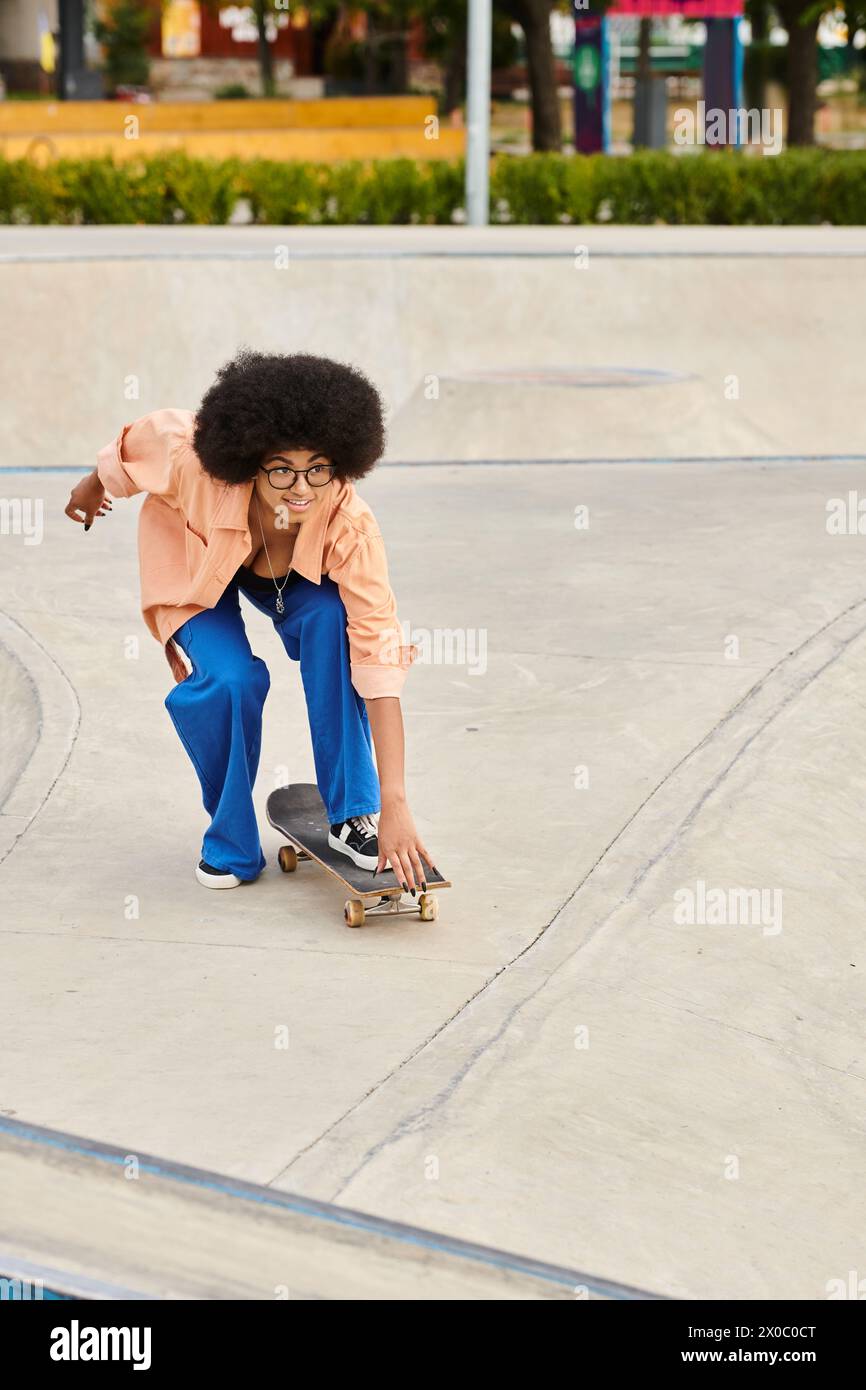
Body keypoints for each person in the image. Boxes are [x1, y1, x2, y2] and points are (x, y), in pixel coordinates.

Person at [65, 349, 435, 894]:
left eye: (318, 468)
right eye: (282, 469)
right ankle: (230, 838)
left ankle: (353, 810)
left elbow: (378, 658)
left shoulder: (349, 525)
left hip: (291, 578)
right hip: (196, 562)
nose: (302, 488)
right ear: (248, 460)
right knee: (230, 681)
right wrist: (95, 483)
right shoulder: (194, 463)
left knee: (334, 621)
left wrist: (395, 800)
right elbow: (147, 435)